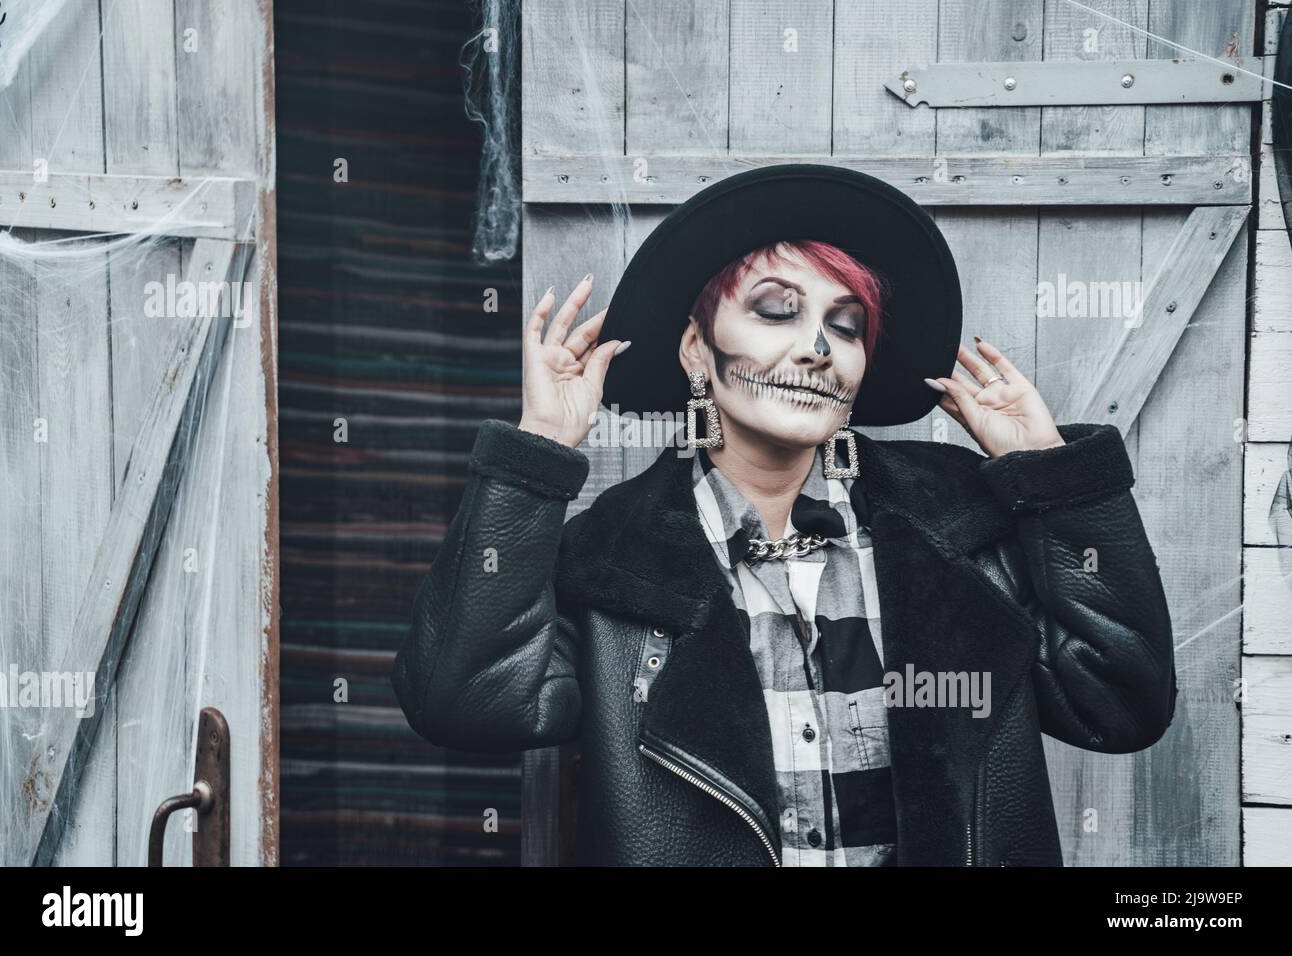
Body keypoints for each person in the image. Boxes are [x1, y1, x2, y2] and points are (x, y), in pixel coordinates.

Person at [392, 164, 1177, 866]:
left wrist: (1050, 474)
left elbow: (1121, 701)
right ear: (698, 350)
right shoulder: (611, 563)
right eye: (776, 311)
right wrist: (537, 455)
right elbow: (465, 701)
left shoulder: (962, 532)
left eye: (845, 325)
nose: (818, 349)